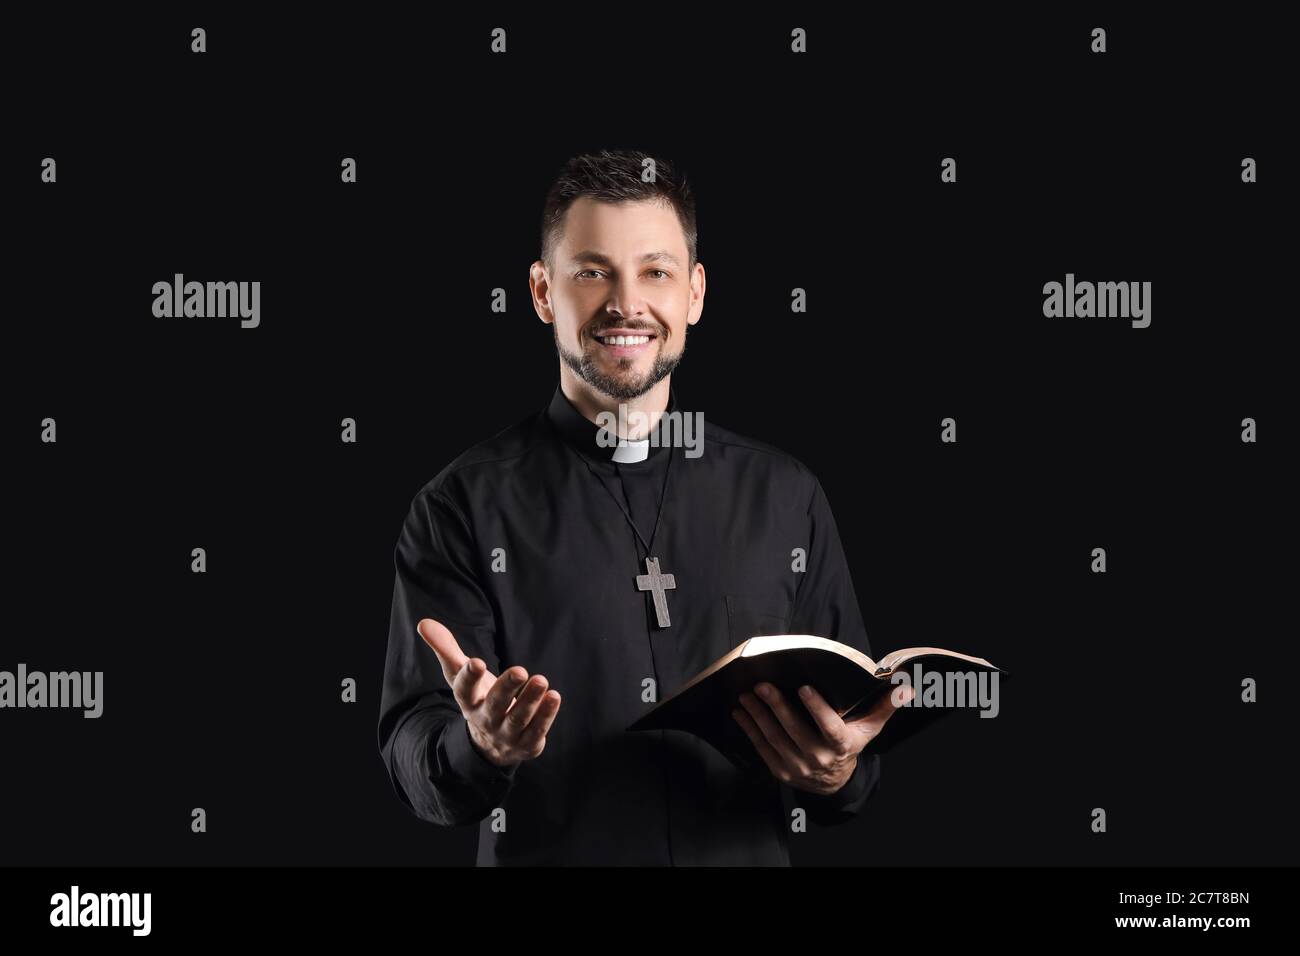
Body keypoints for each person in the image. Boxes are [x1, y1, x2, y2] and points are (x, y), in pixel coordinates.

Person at [377, 148, 910, 865]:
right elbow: (416, 757)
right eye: (593, 271)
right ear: (542, 292)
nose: (627, 303)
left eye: (654, 271)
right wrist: (479, 746)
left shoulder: (785, 495)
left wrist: (840, 769)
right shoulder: (460, 507)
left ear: (693, 292)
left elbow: (854, 762)